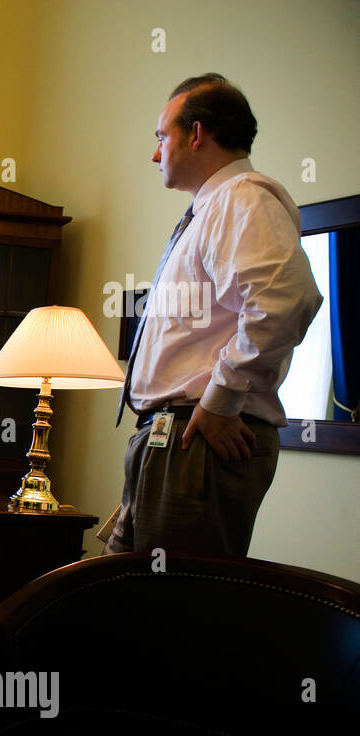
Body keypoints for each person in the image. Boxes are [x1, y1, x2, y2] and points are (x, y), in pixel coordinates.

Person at [106, 74, 322, 556]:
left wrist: (220, 398)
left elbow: (285, 301)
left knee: (177, 615)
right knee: (127, 606)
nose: (156, 154)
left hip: (199, 439)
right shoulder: (214, 209)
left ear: (196, 134)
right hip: (173, 439)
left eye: (162, 137)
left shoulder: (243, 199)